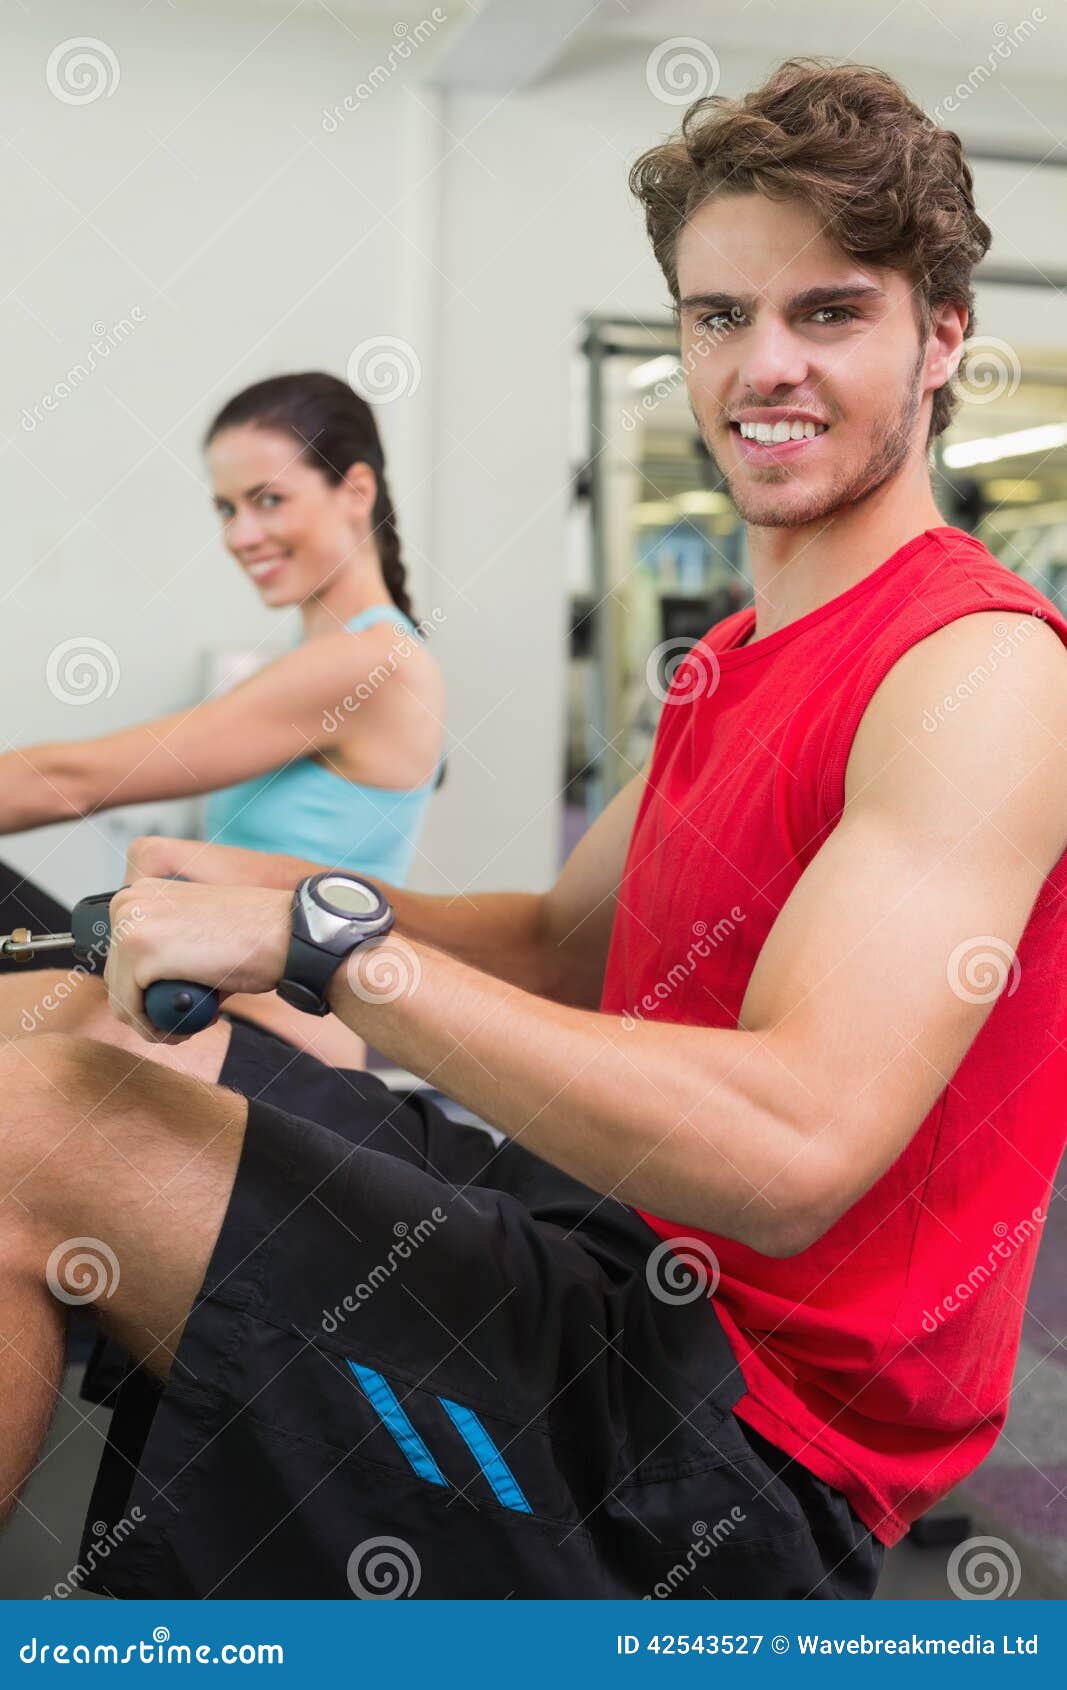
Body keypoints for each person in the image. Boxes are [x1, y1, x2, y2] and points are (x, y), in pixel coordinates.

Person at [3, 55, 1067, 1600]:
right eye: (718, 316)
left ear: (936, 340)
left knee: (35, 1135)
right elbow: (564, 946)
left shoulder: (979, 672)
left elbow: (796, 1148)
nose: (761, 363)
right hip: (608, 1243)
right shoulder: (732, 662)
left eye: (826, 312)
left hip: (735, 1439)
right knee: (45, 1012)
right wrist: (282, 883)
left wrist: (326, 945)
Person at [0, 371, 446, 1071]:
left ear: (355, 492)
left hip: (276, 1045)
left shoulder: (369, 662)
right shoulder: (335, 655)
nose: (241, 534)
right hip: (208, 1006)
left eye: (268, 500)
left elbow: (76, 779)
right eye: (226, 508)